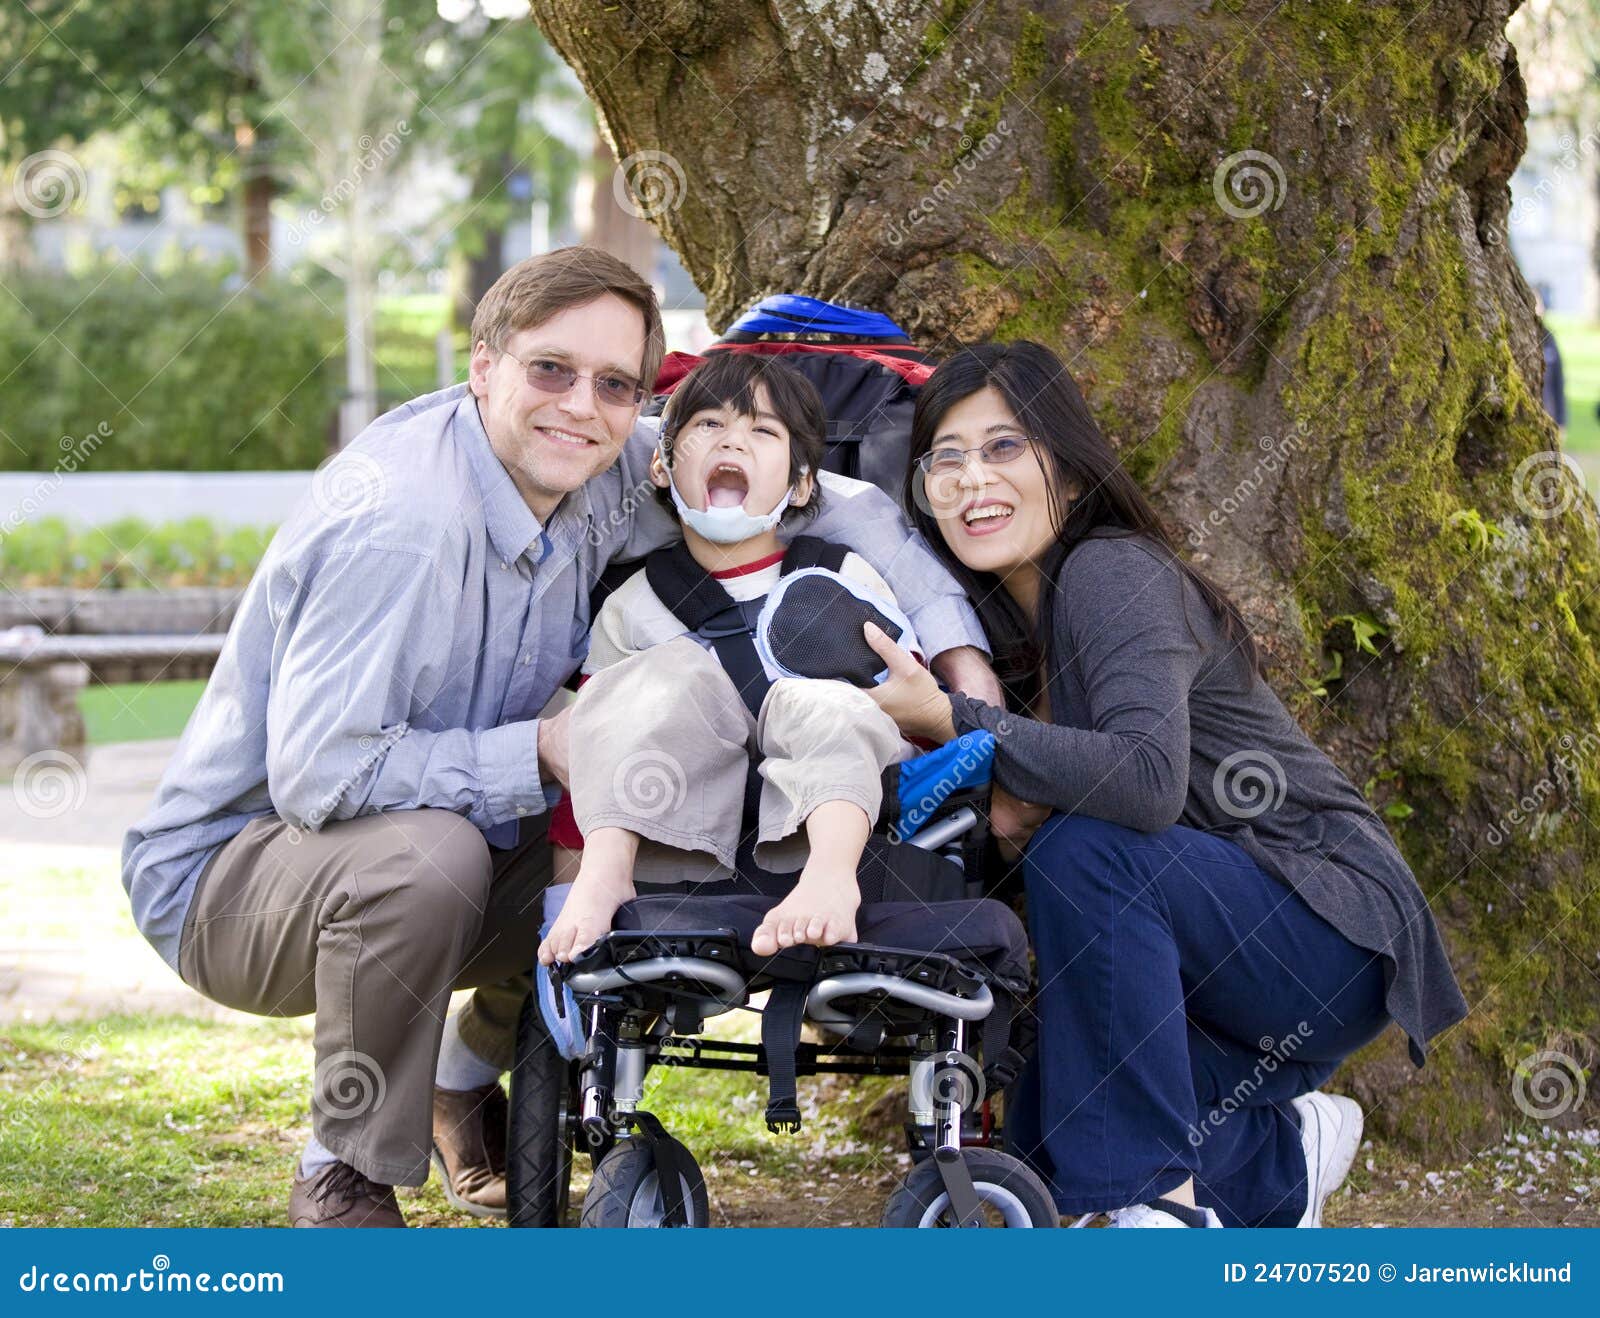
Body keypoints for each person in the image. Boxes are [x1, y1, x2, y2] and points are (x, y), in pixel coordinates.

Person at [120, 246, 1000, 1227]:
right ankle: (343, 1172)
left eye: (615, 384)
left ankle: (459, 1081)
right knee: (437, 854)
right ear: (482, 364)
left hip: (445, 831)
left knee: (647, 847)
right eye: (550, 369)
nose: (581, 405)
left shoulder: (610, 462)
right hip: (236, 880)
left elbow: (841, 503)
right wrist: (539, 752)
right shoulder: (405, 524)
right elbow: (319, 775)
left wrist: (960, 671)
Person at [862, 340, 1468, 1229]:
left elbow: (1145, 783)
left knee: (1086, 850)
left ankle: (1160, 1214)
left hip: (1327, 927)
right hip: (1218, 962)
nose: (971, 479)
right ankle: (1280, 1158)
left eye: (1003, 447)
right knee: (1054, 1119)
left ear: (1070, 471)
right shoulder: (1016, 634)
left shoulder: (1112, 569)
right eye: (944, 460)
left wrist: (958, 720)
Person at [537, 353, 921, 966]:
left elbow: (905, 701)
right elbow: (598, 745)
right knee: (645, 685)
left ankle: (830, 876)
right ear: (662, 465)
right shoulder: (634, 604)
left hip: (825, 808)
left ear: (800, 485)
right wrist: (565, 884)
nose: (733, 441)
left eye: (763, 431)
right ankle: (606, 873)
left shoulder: (839, 575)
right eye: (709, 425)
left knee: (824, 699)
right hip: (673, 817)